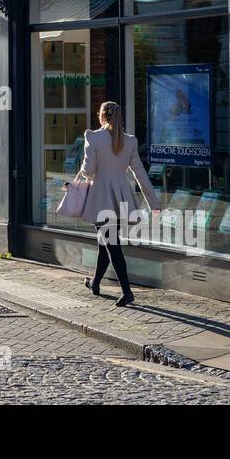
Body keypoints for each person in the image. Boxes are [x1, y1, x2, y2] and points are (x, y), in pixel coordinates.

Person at [75, 101, 161, 308]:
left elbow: (88, 170)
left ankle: (127, 292)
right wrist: (154, 203)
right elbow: (140, 173)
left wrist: (79, 176)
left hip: (102, 197)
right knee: (106, 243)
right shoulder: (130, 141)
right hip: (120, 198)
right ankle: (95, 283)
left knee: (111, 245)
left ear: (102, 116)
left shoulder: (94, 137)